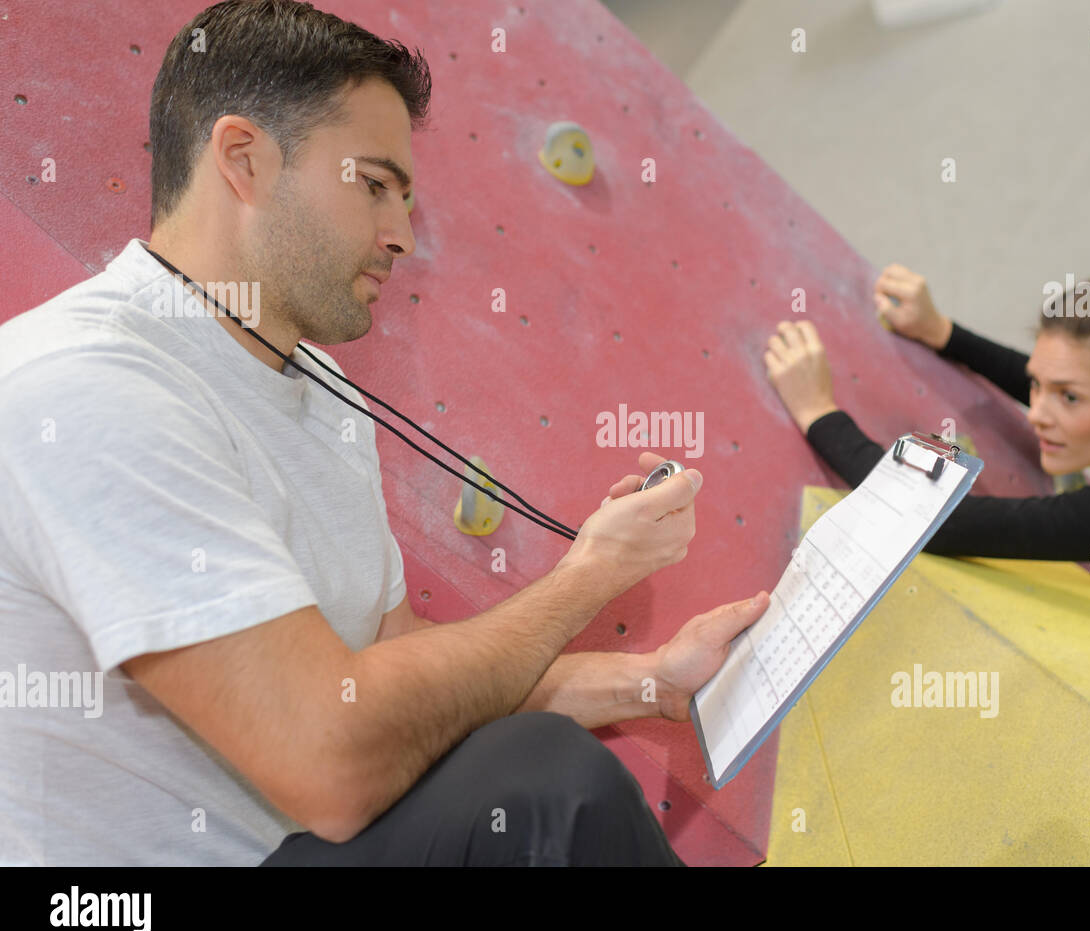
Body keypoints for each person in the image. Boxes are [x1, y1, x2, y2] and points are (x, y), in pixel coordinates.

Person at [0, 0, 771, 866]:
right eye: (373, 185)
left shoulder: (320, 386)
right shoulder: (79, 384)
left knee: (531, 778)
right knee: (546, 783)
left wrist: (648, 679)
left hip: (301, 844)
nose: (401, 237)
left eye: (405, 200)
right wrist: (592, 575)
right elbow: (331, 759)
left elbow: (399, 669)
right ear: (244, 161)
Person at [764, 263, 1090, 745]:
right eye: (1038, 386)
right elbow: (1066, 377)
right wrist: (943, 334)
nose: (1039, 412)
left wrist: (819, 413)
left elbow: (949, 524)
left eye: (1066, 398)